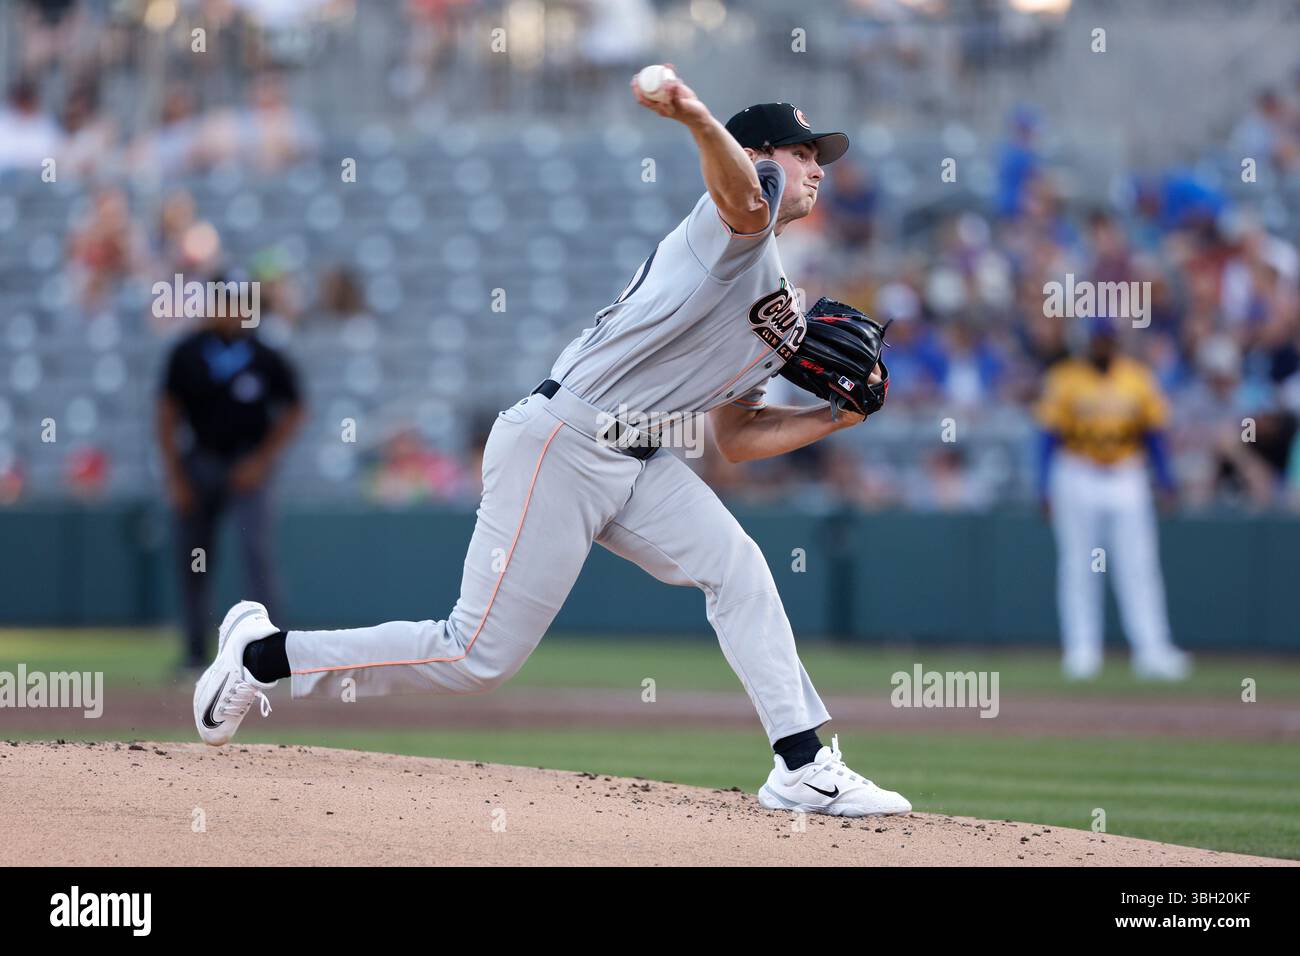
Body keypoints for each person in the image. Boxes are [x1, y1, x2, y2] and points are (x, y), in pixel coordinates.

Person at [193, 79, 912, 818]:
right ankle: (262, 656)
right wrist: (695, 116)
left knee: (740, 569)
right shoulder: (730, 224)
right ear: (758, 154)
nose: (816, 166)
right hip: (562, 441)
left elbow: (734, 438)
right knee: (474, 656)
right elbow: (741, 191)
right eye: (799, 151)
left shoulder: (782, 312)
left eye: (818, 155)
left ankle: (800, 763)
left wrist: (830, 419)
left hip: (638, 459)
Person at [158, 287, 304, 670]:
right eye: (224, 303)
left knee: (256, 554)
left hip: (247, 468)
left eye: (239, 304)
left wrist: (261, 461)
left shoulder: (262, 354)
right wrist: (175, 476)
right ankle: (194, 652)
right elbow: (166, 413)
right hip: (201, 462)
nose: (231, 313)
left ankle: (270, 651)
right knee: (195, 560)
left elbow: (295, 408)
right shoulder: (188, 352)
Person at [1037, 319, 1190, 680]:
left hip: (1126, 473)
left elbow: (1153, 435)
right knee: (1078, 565)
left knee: (1138, 564)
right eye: (1097, 339)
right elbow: (1047, 437)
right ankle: (1081, 651)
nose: (1102, 345)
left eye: (1107, 339)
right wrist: (1043, 486)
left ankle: (1152, 650)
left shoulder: (1136, 377)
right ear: (1087, 341)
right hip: (1077, 470)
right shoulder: (1064, 378)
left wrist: (1166, 480)